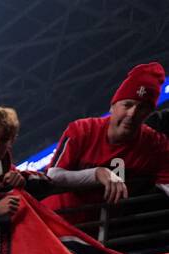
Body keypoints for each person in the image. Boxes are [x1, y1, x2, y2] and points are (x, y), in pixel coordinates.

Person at [44, 63, 169, 217]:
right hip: (56, 222)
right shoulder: (83, 130)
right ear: (112, 106)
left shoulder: (155, 144)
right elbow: (53, 175)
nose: (132, 113)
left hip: (107, 231)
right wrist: (97, 174)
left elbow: (166, 183)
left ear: (149, 113)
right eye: (127, 104)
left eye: (142, 108)